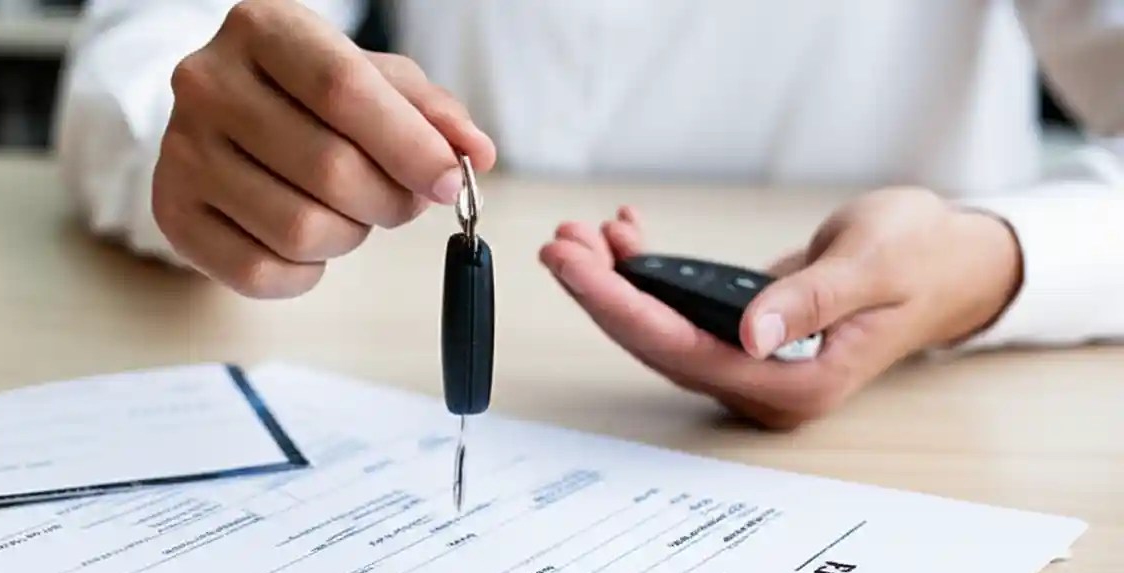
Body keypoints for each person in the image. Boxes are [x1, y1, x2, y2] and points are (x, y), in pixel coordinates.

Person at [54, 0, 1124, 429]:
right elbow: (149, 53)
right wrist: (198, 148)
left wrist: (995, 263)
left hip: (959, 423)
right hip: (502, 381)